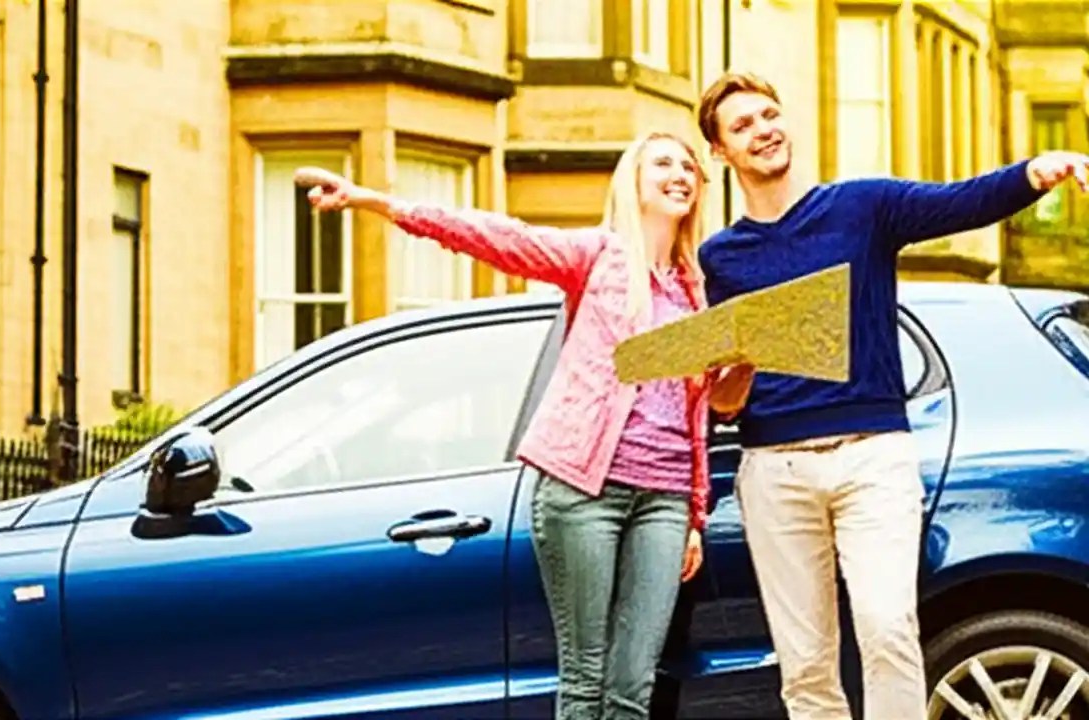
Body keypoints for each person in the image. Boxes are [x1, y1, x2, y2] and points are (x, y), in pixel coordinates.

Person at [295, 131, 755, 720]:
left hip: (664, 501)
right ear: (632, 181)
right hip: (585, 492)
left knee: (633, 685)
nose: (681, 173)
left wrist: (695, 509)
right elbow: (494, 237)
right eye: (663, 162)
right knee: (586, 678)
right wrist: (373, 201)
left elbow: (708, 412)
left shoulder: (697, 291)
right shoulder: (597, 257)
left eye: (690, 166)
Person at [693, 71, 1089, 720]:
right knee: (806, 660)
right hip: (776, 471)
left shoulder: (861, 209)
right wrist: (731, 379)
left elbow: (960, 201)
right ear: (720, 152)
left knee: (886, 629)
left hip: (871, 459)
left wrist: (1034, 173)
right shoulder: (723, 258)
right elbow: (727, 402)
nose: (763, 130)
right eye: (743, 126)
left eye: (769, 114)